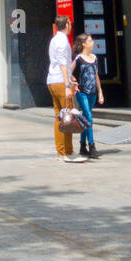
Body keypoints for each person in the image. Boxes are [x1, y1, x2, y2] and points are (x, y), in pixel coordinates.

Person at [47, 15, 80, 162]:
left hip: (53, 80)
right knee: (67, 116)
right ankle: (66, 151)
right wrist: (68, 83)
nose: (71, 26)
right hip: (60, 81)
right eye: (70, 23)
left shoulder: (55, 39)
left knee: (60, 116)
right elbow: (62, 63)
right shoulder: (61, 40)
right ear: (66, 25)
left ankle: (63, 151)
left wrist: (70, 77)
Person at [72, 33, 104, 160]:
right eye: (90, 41)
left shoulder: (94, 58)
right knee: (89, 117)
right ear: (84, 44)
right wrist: (74, 82)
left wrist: (100, 91)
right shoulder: (79, 58)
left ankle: (82, 146)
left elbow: (96, 76)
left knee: (85, 118)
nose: (92, 42)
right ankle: (92, 146)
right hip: (82, 92)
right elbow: (69, 71)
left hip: (92, 92)